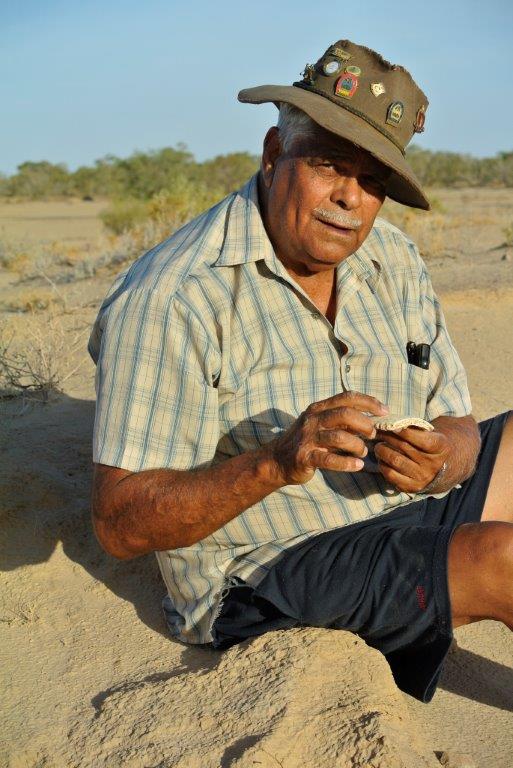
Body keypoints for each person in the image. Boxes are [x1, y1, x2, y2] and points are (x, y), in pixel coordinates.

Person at [88, 39, 513, 703]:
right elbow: (121, 525)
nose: (350, 199)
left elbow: (458, 425)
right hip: (269, 568)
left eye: (373, 182)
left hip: (400, 508)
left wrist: (441, 462)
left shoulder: (393, 260)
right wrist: (277, 460)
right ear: (272, 153)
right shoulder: (175, 296)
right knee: (504, 559)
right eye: (329, 165)